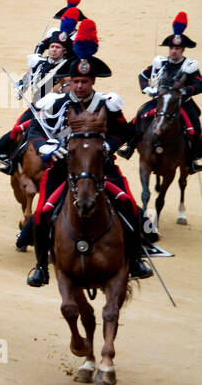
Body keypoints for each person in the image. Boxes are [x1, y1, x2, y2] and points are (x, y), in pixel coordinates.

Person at [25, 21, 154, 286]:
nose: (80, 86)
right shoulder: (55, 104)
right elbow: (34, 132)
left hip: (101, 168)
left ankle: (137, 257)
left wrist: (108, 146)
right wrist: (47, 148)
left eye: (84, 81)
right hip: (62, 168)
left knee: (129, 204)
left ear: (92, 81)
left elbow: (125, 133)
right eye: (75, 81)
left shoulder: (107, 105)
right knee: (41, 214)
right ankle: (41, 266)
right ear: (69, 82)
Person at [0, 10, 78, 174]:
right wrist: (21, 86)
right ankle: (10, 160)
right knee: (17, 129)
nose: (53, 50)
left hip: (57, 110)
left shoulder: (68, 67)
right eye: (52, 46)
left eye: (58, 47)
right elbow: (28, 77)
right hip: (36, 107)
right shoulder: (39, 64)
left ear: (64, 50)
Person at [120, 12, 202, 173]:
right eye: (172, 48)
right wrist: (146, 88)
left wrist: (185, 90)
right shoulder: (160, 63)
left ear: (183, 49)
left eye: (177, 48)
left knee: (194, 126)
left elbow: (199, 84)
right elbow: (143, 75)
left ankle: (192, 159)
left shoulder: (190, 66)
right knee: (140, 115)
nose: (173, 51)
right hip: (160, 101)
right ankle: (129, 146)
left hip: (181, 104)